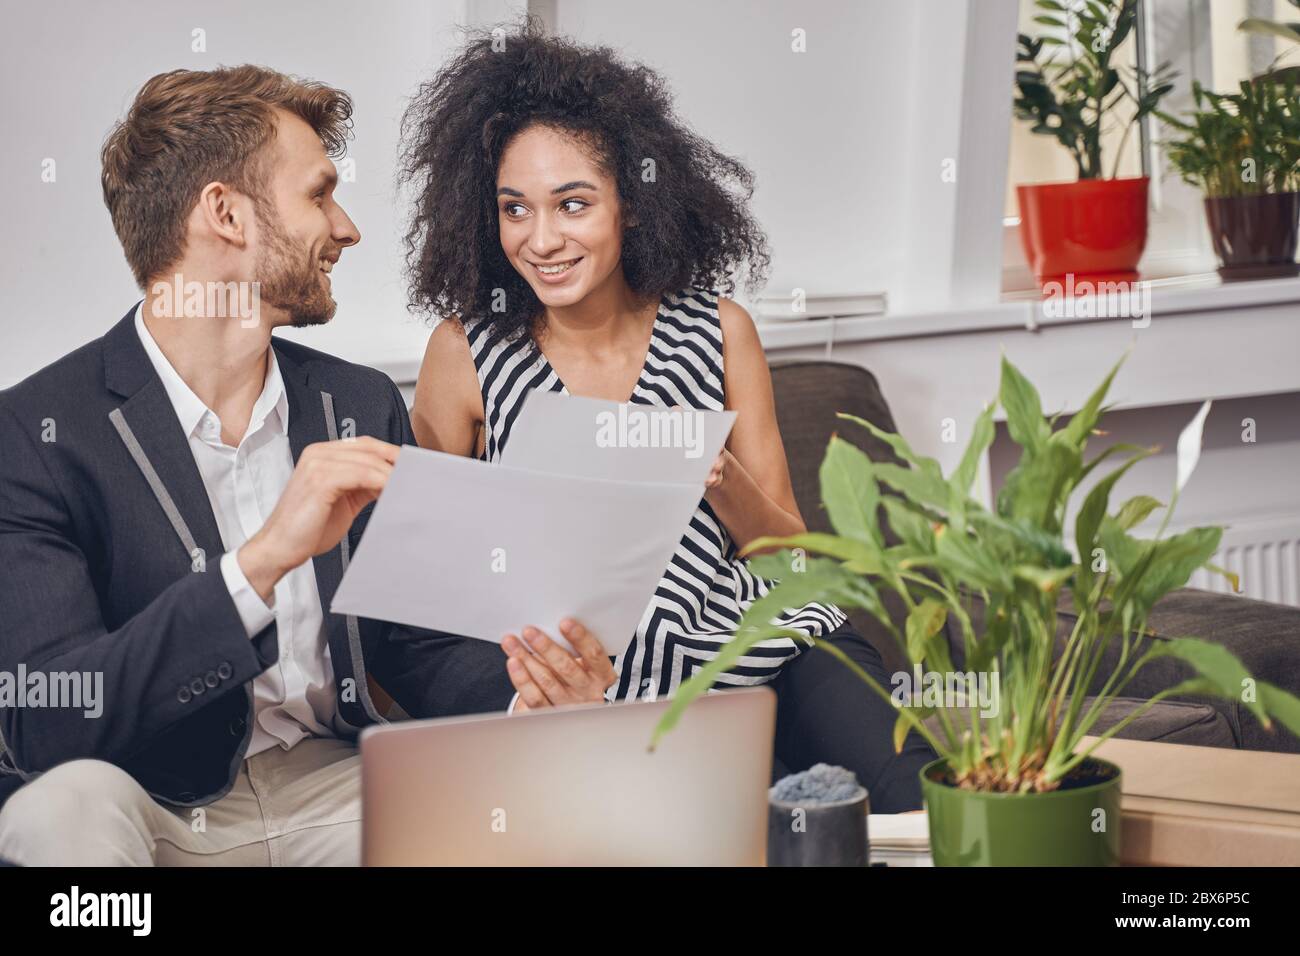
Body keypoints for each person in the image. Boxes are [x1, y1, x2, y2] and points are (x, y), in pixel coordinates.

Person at [403, 21, 935, 811]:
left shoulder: (718, 331)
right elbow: (429, 596)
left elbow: (792, 558)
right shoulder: (464, 354)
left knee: (923, 800)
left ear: (633, 202)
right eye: (515, 209)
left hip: (772, 645)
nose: (541, 239)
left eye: (572, 204)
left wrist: (718, 480)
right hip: (607, 691)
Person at [0, 65, 520, 866]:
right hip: (151, 805)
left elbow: (423, 646)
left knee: (520, 806)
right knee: (56, 815)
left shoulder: (358, 401)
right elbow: (49, 718)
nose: (345, 228)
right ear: (226, 213)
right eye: (319, 194)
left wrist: (534, 695)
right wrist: (263, 563)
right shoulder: (36, 433)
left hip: (340, 794)